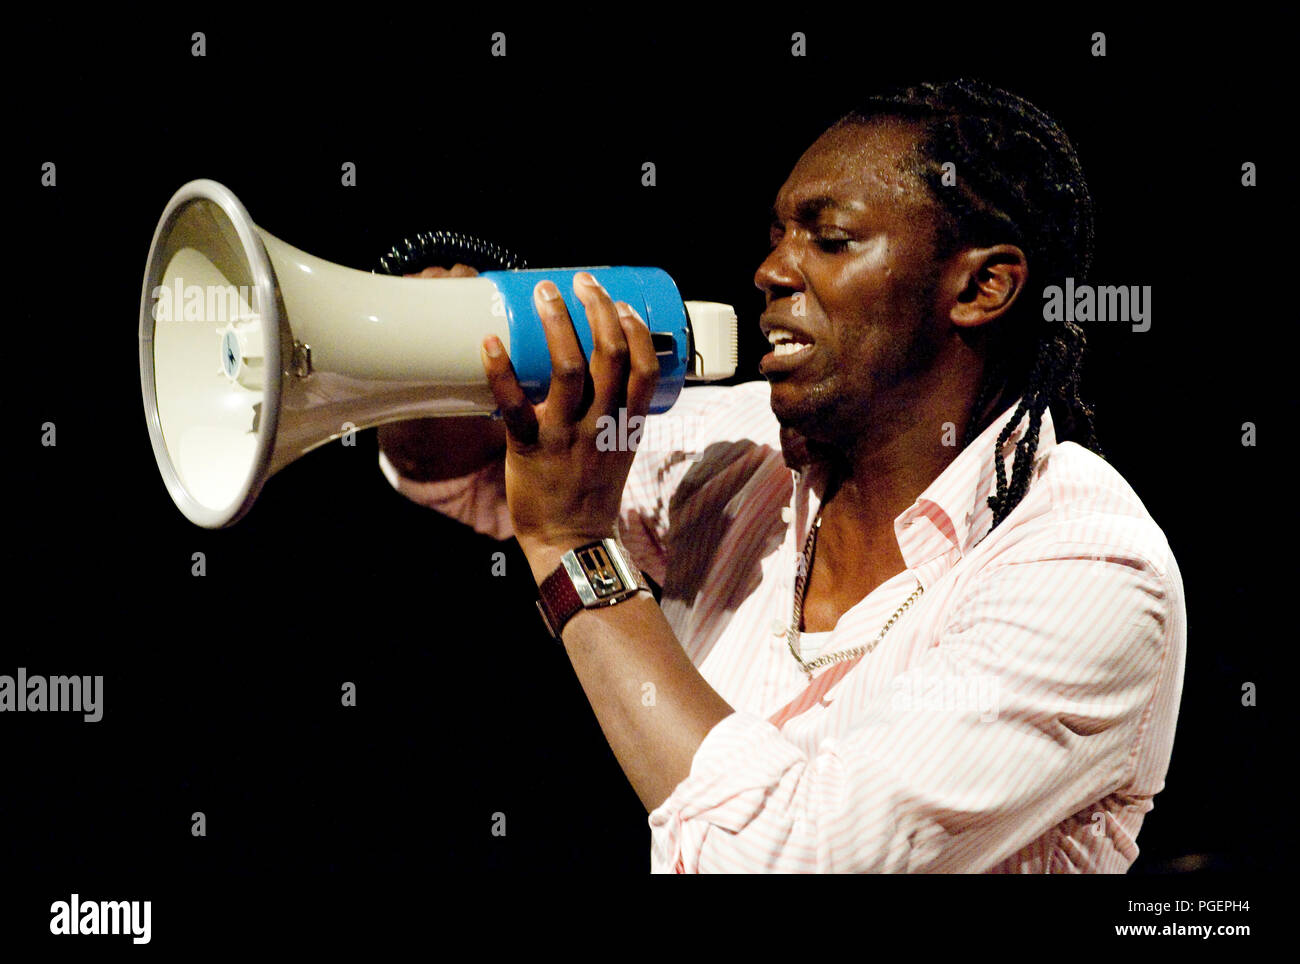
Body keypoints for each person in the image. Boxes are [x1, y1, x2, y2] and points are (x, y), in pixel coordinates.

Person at [377, 79, 1186, 873]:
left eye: (829, 240)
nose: (771, 270)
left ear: (980, 285)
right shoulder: (743, 452)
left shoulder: (1088, 570)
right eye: (777, 234)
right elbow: (464, 467)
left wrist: (571, 545)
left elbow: (789, 859)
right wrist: (440, 344)